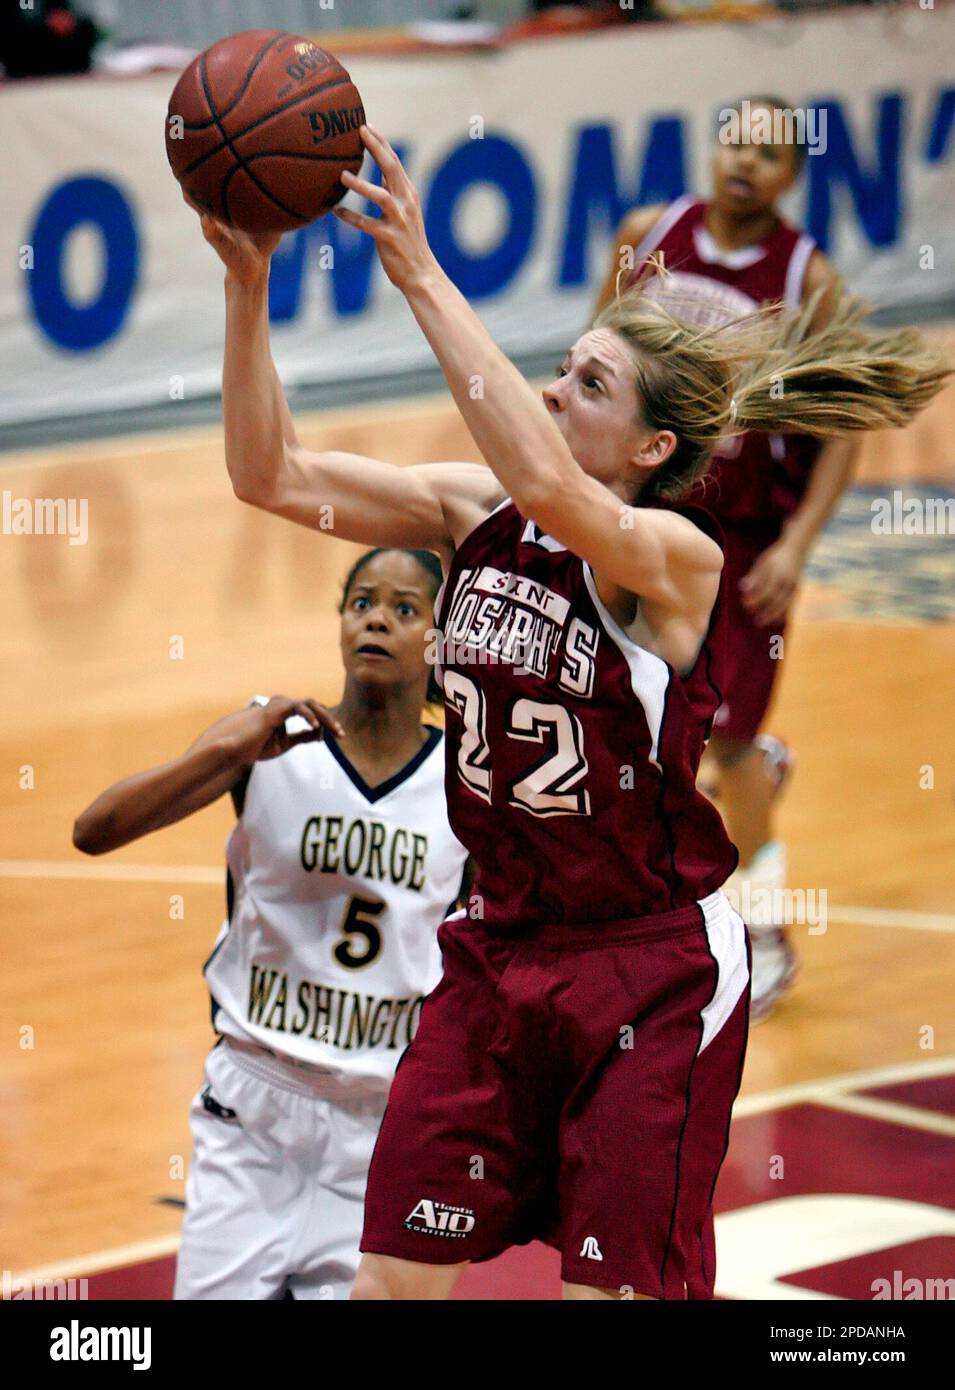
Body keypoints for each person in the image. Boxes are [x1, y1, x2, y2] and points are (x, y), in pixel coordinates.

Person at [193, 124, 948, 1300]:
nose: (550, 391)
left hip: (646, 973)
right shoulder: (471, 509)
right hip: (491, 955)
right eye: (560, 368)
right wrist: (247, 291)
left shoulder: (672, 559)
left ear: (654, 445)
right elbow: (266, 474)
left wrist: (420, 270)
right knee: (389, 1279)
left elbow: (552, 483)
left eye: (586, 383)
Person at [73, 546, 469, 1300]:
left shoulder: (465, 780)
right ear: (340, 622)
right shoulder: (265, 742)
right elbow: (95, 830)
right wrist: (228, 746)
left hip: (383, 1124)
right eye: (362, 603)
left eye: (405, 608)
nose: (377, 619)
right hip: (253, 1105)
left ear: (439, 643)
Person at [595, 95, 857, 1020]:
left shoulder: (804, 276)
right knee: (625, 719)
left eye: (770, 155)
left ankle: (766, 926)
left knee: (731, 742)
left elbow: (842, 430)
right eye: (734, 142)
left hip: (742, 544)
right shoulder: (649, 232)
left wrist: (795, 545)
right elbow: (596, 361)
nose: (745, 164)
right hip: (648, 522)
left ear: (793, 176)